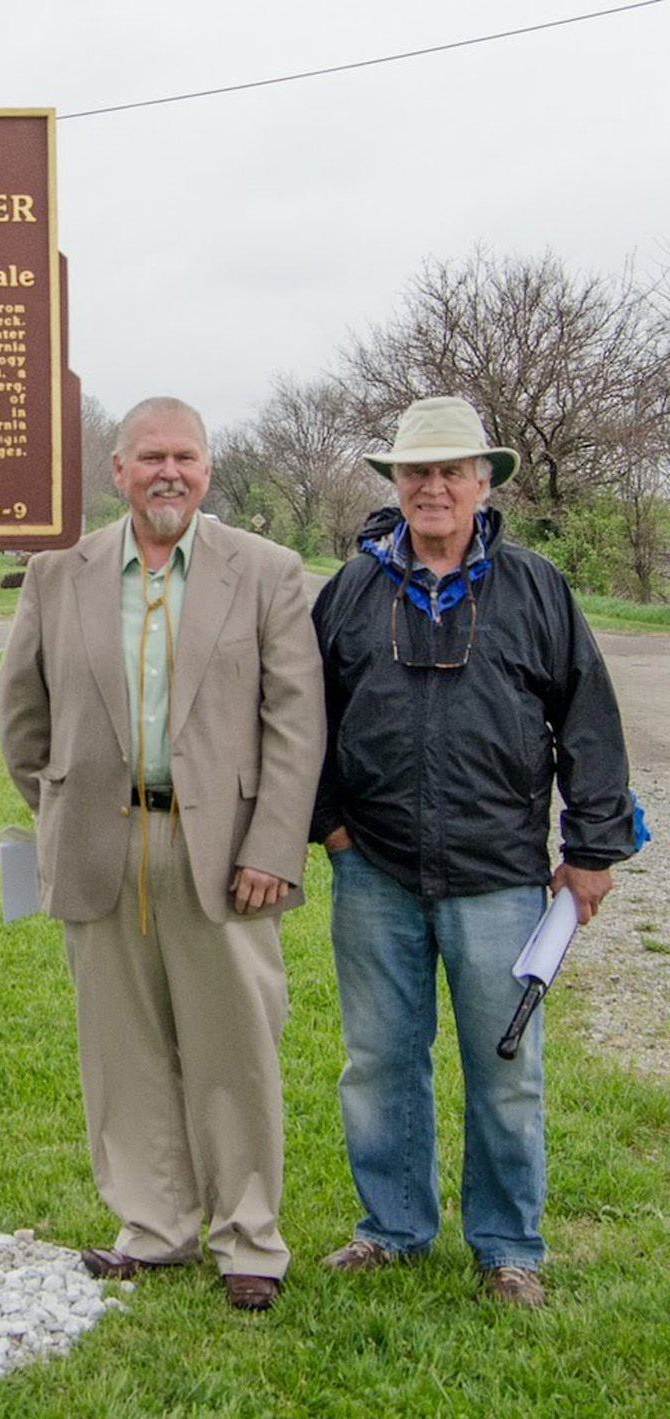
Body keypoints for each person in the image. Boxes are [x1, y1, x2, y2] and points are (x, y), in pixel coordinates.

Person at [0, 396, 324, 1310]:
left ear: (208, 468)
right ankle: (153, 1227)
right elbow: (21, 714)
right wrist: (62, 807)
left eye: (184, 455)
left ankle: (248, 1238)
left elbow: (295, 724)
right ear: (119, 470)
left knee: (236, 1050)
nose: (167, 472)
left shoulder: (265, 571)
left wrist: (272, 846)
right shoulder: (60, 572)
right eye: (150, 457)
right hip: (102, 842)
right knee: (122, 1050)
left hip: (223, 852)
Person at [311, 395, 637, 1307]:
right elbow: (302, 722)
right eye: (416, 471)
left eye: (452, 469)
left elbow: (589, 722)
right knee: (379, 1060)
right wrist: (331, 827)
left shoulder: (536, 586)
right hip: (372, 864)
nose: (433, 486)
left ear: (484, 482)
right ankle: (392, 1228)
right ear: (395, 484)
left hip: (498, 875)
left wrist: (592, 849)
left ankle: (508, 1247)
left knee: (504, 1072)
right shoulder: (351, 589)